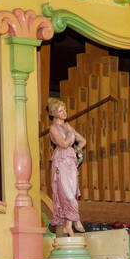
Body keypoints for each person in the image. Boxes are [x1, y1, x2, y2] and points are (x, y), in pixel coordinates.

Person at [46, 98, 87, 236]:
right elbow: (63, 144)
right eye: (60, 110)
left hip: (71, 161)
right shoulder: (53, 127)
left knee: (74, 192)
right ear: (54, 113)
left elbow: (83, 141)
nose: (64, 112)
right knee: (67, 194)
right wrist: (70, 133)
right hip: (60, 161)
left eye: (64, 110)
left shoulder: (68, 126)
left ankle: (69, 224)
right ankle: (76, 219)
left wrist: (77, 150)